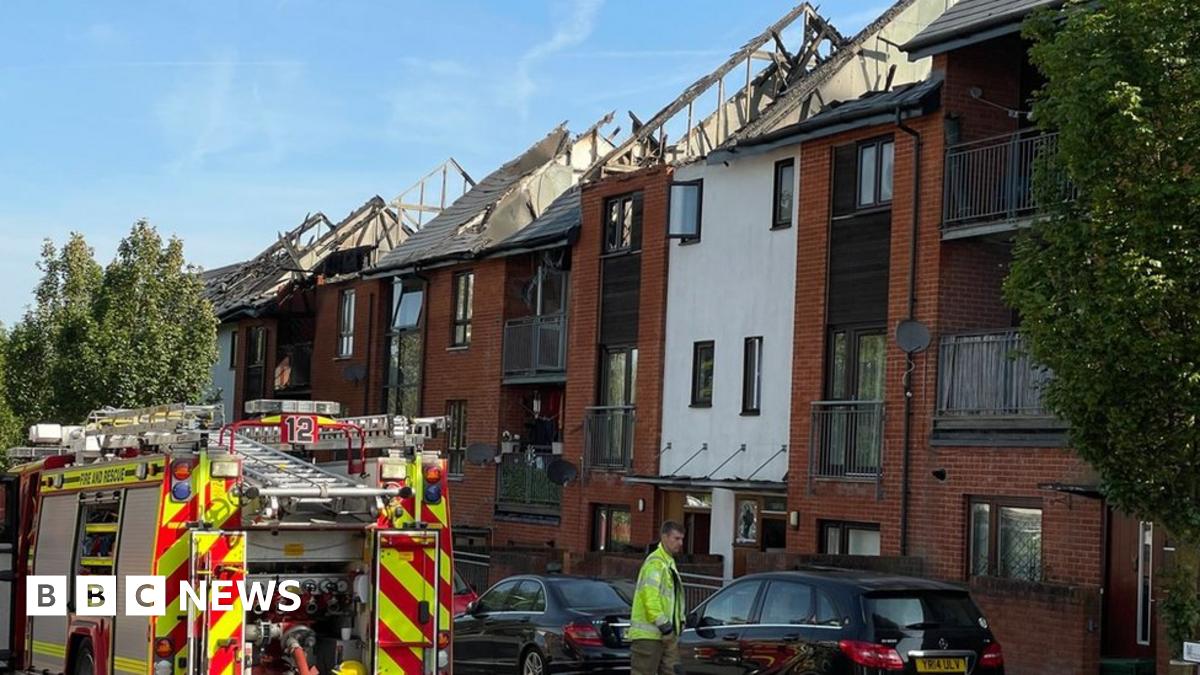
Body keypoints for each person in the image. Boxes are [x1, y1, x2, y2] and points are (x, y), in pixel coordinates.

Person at [629, 520, 686, 675]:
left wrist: (680, 622)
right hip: (650, 635)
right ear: (664, 537)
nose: (680, 543)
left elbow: (671, 601)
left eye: (682, 539)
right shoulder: (655, 564)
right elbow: (650, 598)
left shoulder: (668, 563)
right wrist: (664, 624)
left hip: (665, 634)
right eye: (676, 538)